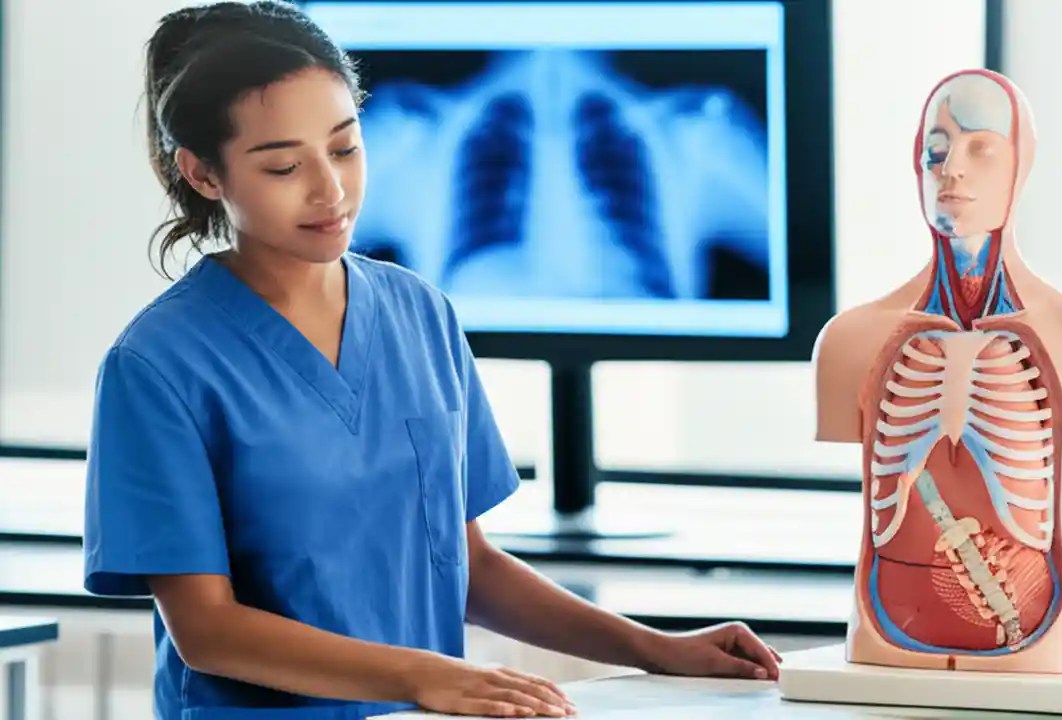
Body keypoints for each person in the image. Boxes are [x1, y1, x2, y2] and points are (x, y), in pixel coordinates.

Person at [81, 3, 780, 718]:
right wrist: (422, 675)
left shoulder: (421, 314)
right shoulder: (158, 366)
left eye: (346, 147)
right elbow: (206, 631)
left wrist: (654, 648)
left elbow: (469, 568)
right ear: (202, 174)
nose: (330, 190)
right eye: (285, 165)